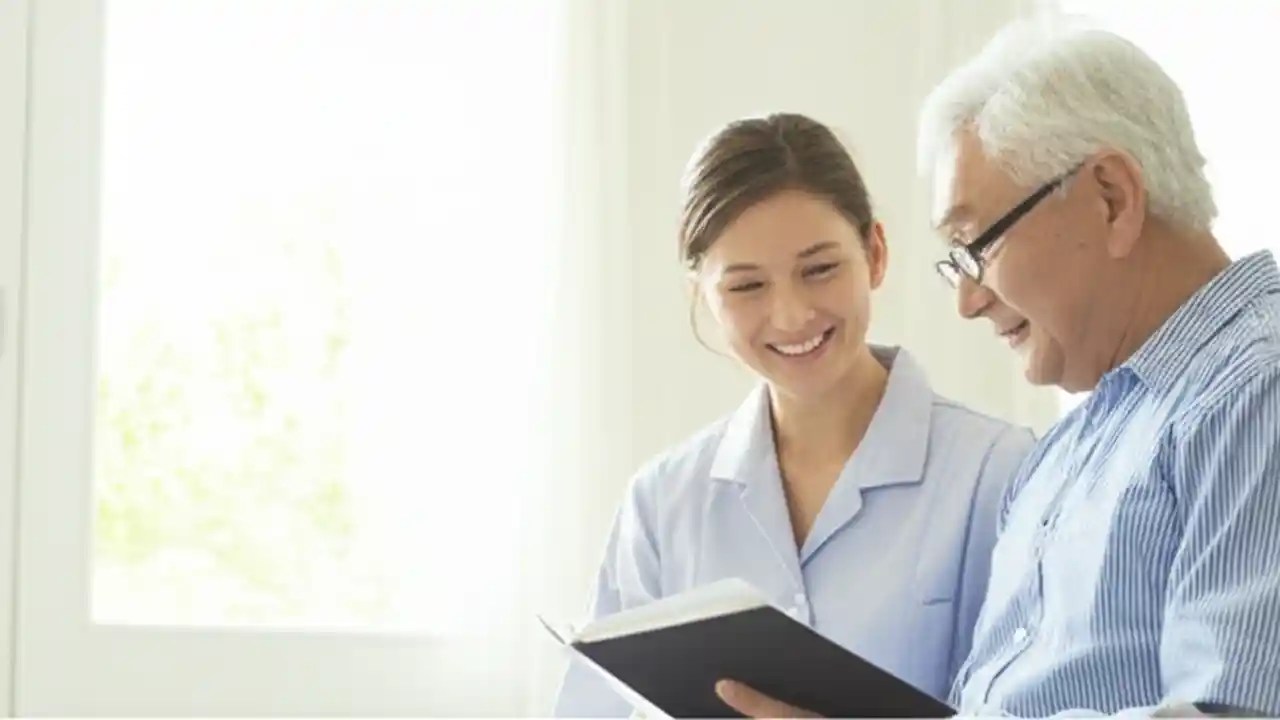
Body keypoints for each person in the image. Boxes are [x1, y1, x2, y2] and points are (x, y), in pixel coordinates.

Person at [717, 19, 1280, 719]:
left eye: (975, 244)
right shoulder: (1063, 458)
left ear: (1111, 197)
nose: (968, 299)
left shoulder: (1257, 389)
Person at [552, 113, 1034, 716]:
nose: (790, 315)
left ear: (875, 254)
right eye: (747, 287)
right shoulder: (661, 506)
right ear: (700, 293)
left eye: (819, 269)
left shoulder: (1002, 474)